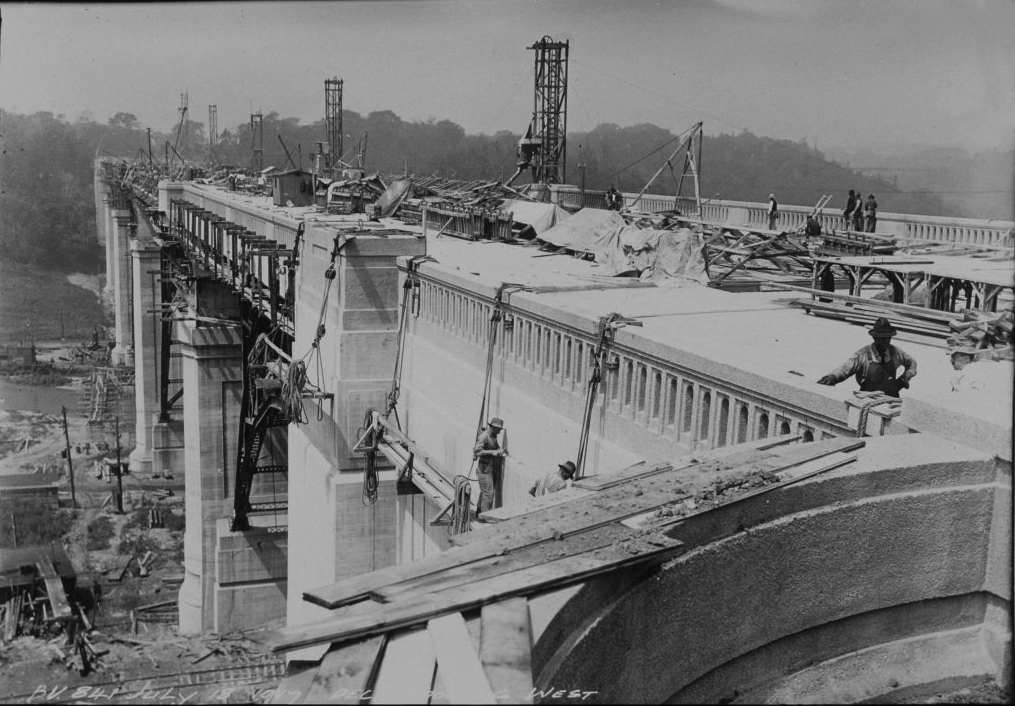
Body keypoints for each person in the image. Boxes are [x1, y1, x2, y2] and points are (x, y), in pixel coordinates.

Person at [817, 317, 917, 397]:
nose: (886, 341)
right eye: (882, 339)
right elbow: (844, 369)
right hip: (867, 399)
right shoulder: (863, 355)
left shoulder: (895, 352)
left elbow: (912, 362)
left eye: (888, 338)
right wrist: (832, 377)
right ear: (874, 337)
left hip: (891, 399)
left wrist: (905, 377)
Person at [473, 417, 505, 520]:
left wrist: (499, 450)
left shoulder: (493, 436)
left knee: (485, 492)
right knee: (489, 493)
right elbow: (477, 451)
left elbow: (494, 447)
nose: (500, 432)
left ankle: (479, 513)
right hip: (484, 469)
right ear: (493, 427)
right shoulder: (484, 436)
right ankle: (485, 517)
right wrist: (492, 452)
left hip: (491, 468)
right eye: (499, 429)